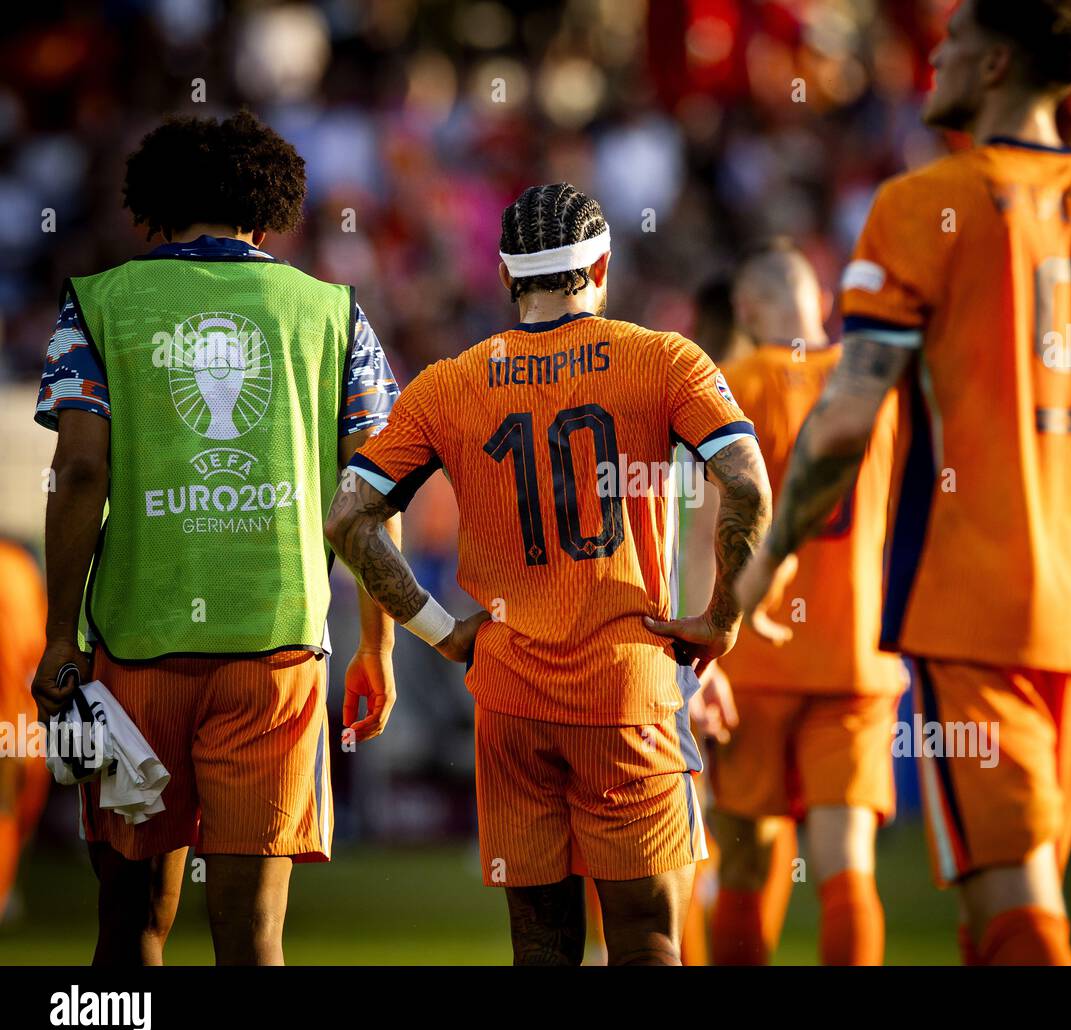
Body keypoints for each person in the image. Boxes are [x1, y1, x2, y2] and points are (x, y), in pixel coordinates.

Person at [736, 0, 1071, 966]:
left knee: (1021, 915)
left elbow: (848, 420)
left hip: (977, 620)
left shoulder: (918, 207)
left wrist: (766, 563)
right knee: (1002, 913)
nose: (932, 53)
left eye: (950, 40)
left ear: (993, 65)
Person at [325, 181, 771, 965]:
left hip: (509, 695)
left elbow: (346, 516)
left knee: (540, 946)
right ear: (601, 265)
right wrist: (722, 618)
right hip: (626, 687)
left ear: (505, 278)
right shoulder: (663, 357)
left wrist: (440, 632)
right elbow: (749, 483)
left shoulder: (448, 383)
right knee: (650, 939)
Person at [30, 111, 400, 966]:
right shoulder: (334, 312)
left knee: (129, 926)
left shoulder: (99, 302)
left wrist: (58, 637)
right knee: (252, 935)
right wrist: (376, 643)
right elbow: (372, 493)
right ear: (269, 212)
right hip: (277, 651)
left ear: (151, 206)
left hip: (134, 651)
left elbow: (80, 473)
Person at [696, 240, 907, 965]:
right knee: (847, 866)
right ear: (818, 300)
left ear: (748, 310)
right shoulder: (876, 384)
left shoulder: (730, 382)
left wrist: (701, 644)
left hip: (750, 663)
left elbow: (701, 531)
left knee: (745, 868)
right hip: (855, 655)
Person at [0, 541, 49, 924]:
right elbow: (38, 648)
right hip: (18, 717)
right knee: (10, 807)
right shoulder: (18, 569)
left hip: (17, 713)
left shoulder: (16, 569)